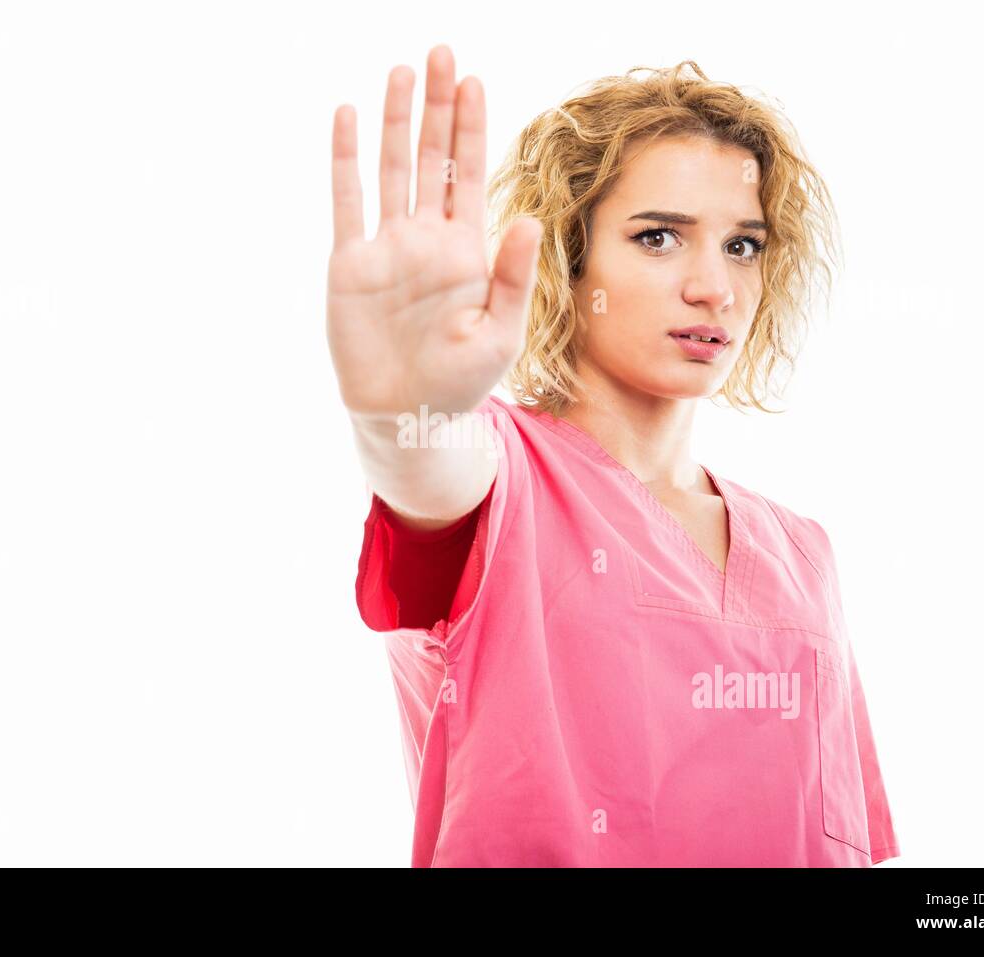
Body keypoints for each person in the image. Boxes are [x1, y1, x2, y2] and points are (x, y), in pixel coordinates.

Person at [326, 44, 899, 867]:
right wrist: (403, 406)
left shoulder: (803, 553)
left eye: (743, 245)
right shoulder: (498, 477)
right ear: (569, 253)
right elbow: (426, 469)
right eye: (659, 236)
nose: (715, 287)